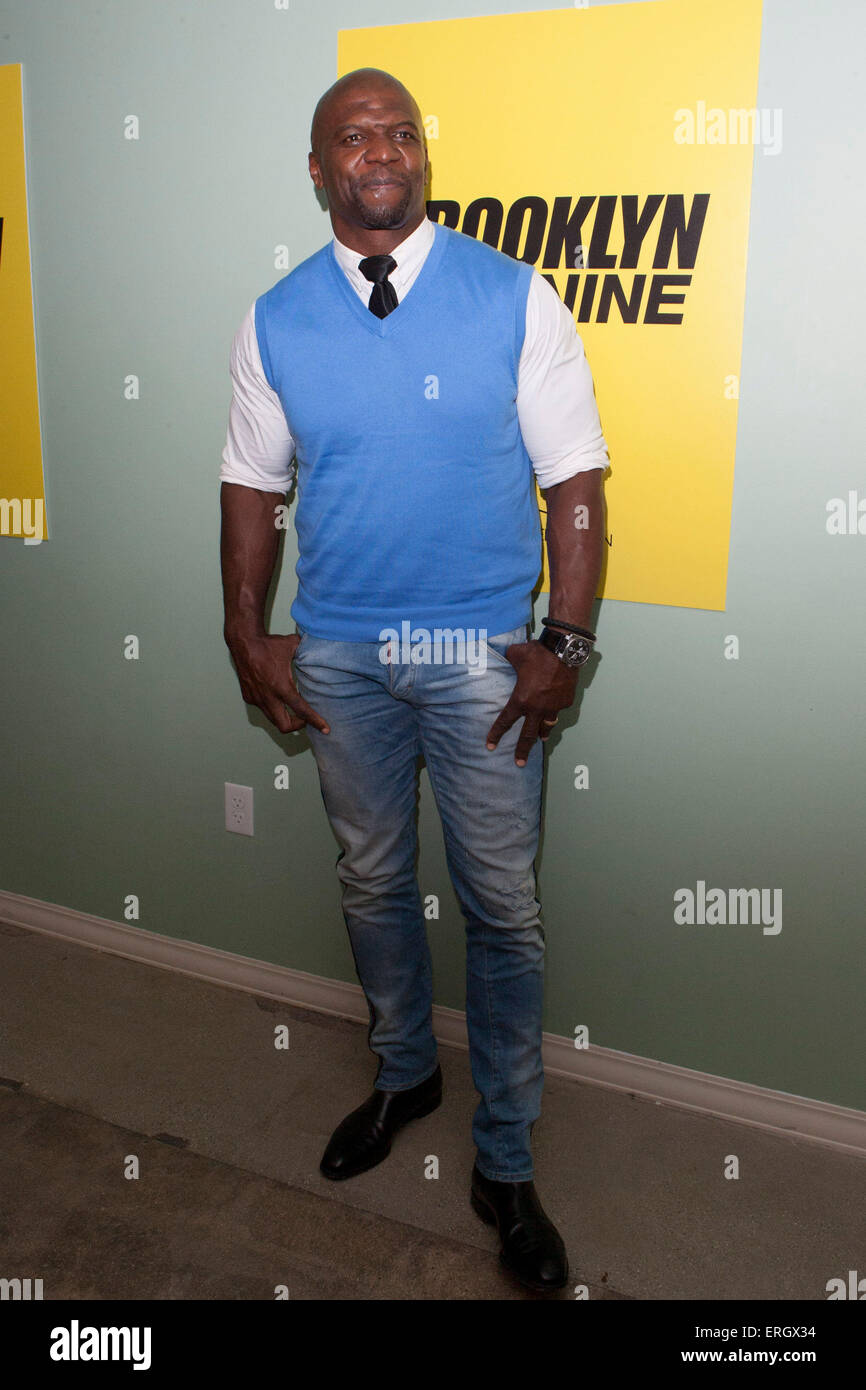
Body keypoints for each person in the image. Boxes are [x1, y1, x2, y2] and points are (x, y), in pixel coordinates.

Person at [219, 66, 609, 1294]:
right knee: (373, 876)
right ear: (320, 169)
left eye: (399, 132)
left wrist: (567, 640)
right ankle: (403, 1073)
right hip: (338, 652)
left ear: (420, 157)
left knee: (501, 907)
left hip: (483, 658)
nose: (379, 150)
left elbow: (575, 484)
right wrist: (247, 631)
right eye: (353, 135)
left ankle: (502, 1159)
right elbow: (250, 486)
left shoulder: (511, 296)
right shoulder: (276, 316)